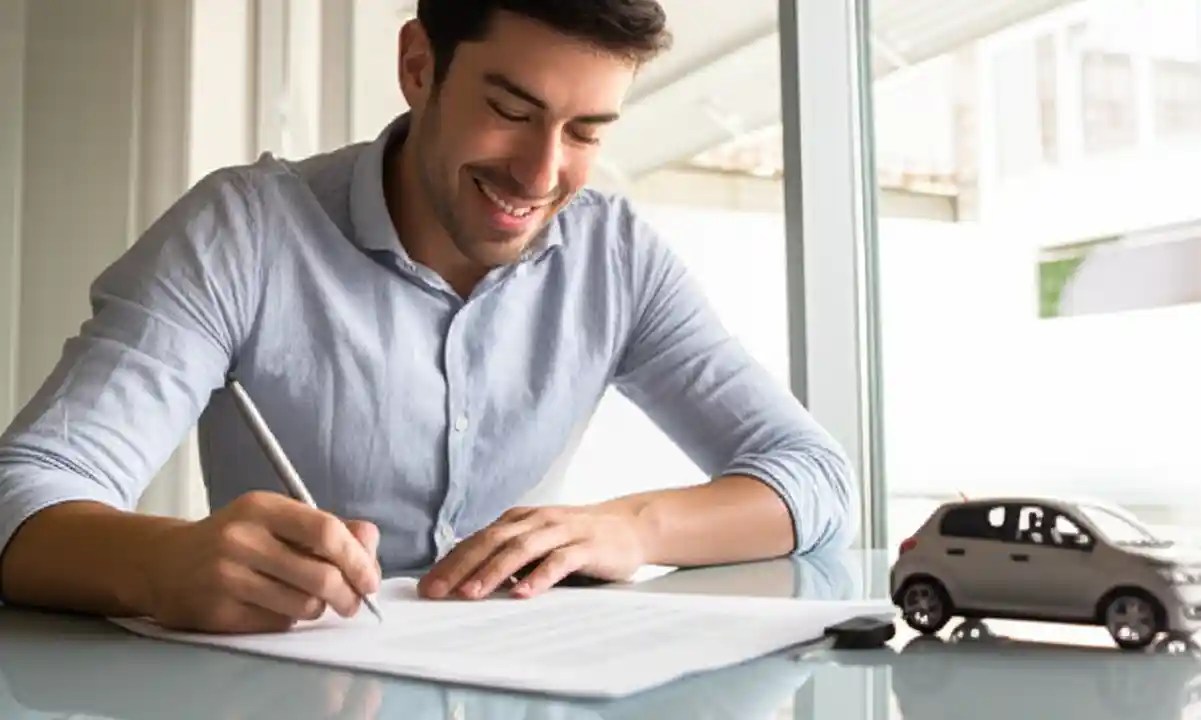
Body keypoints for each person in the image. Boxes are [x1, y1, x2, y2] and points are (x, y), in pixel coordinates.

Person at [0, 0, 855, 633]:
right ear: (418, 67)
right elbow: (24, 491)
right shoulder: (244, 233)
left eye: (586, 132)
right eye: (511, 113)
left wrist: (626, 529)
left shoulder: (614, 253)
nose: (540, 173)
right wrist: (161, 563)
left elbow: (814, 476)